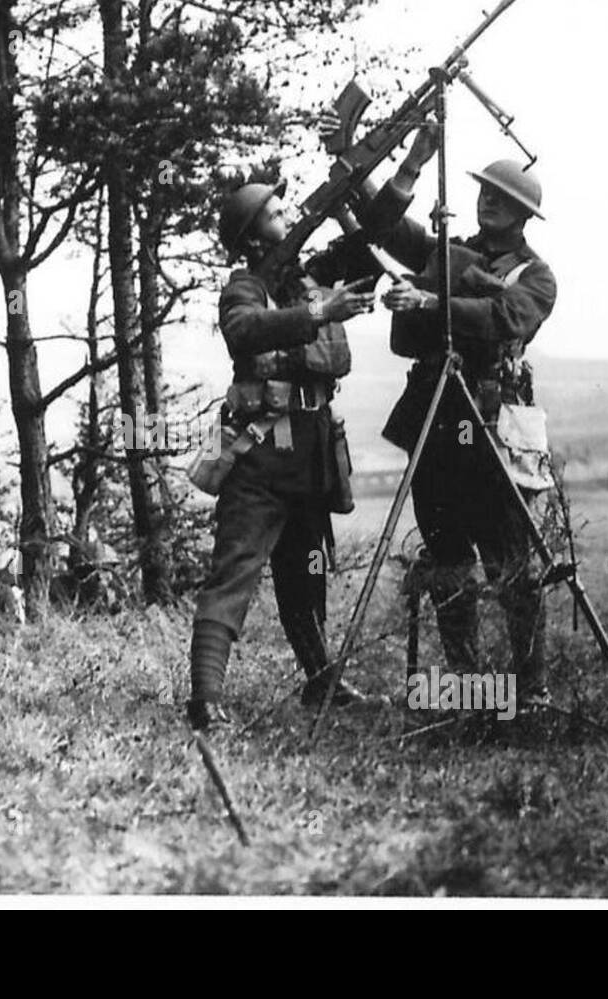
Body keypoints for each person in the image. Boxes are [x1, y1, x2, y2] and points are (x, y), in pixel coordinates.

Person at [332, 118, 558, 707]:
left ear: (522, 215)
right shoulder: (450, 251)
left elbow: (508, 318)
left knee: (511, 560)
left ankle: (528, 689)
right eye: (484, 192)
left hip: (491, 424)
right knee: (447, 553)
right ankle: (466, 684)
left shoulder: (535, 274)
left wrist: (432, 299)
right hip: (435, 417)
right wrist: (391, 163)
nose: (487, 204)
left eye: (501, 200)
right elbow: (384, 226)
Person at [185, 179, 379, 731]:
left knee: (306, 573)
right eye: (274, 213)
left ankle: (321, 681)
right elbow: (243, 330)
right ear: (251, 238)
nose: (287, 216)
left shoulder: (306, 277)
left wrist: (370, 193)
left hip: (312, 454)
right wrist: (321, 312)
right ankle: (205, 700)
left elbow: (371, 251)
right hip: (261, 454)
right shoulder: (245, 285)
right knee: (234, 574)